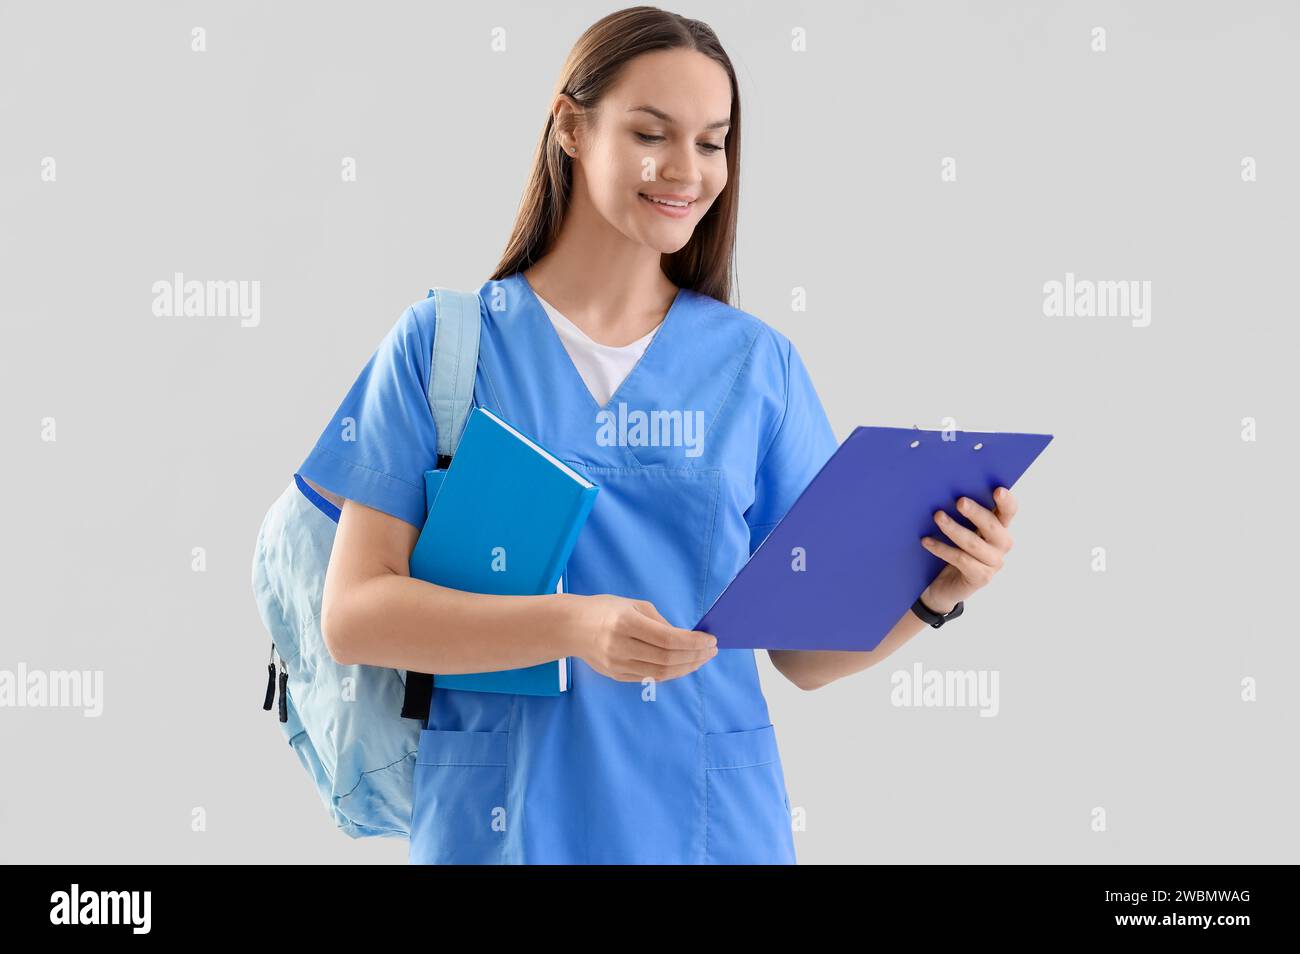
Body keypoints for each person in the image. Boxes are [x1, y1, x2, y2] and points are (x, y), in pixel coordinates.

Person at [298, 6, 1019, 864]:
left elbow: (805, 655)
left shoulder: (756, 366)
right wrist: (572, 626)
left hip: (712, 831)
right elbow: (354, 616)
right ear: (570, 126)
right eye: (653, 133)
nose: (688, 169)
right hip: (502, 827)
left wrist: (935, 594)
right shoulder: (445, 349)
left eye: (713, 142)